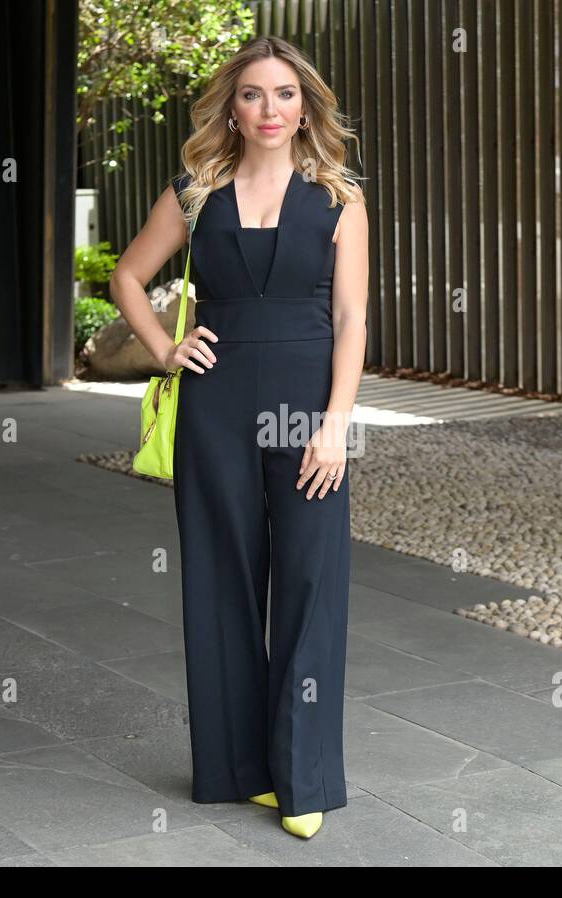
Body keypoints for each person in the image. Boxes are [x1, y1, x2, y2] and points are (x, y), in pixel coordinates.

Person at [109, 35, 368, 839]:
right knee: (218, 578)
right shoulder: (195, 192)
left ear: (304, 105)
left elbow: (354, 318)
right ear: (232, 105)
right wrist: (164, 348)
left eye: (285, 94)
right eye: (253, 94)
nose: (270, 110)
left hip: (306, 412)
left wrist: (336, 426)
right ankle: (234, 769)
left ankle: (305, 777)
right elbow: (128, 275)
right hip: (215, 404)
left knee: (309, 582)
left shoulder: (338, 198)